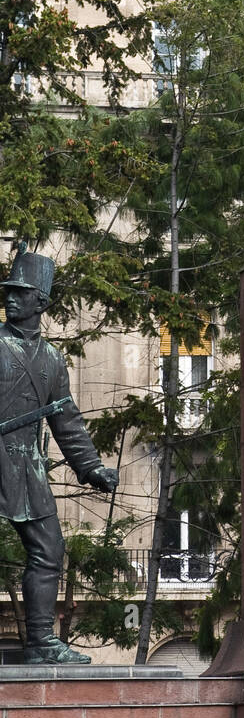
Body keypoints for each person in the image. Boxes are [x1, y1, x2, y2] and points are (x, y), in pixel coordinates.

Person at [0, 244, 118, 664]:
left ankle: (39, 643)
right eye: (8, 292)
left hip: (27, 470)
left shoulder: (52, 360)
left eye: (20, 292)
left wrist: (92, 468)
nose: (10, 298)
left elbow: (66, 422)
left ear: (40, 302)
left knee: (50, 550)